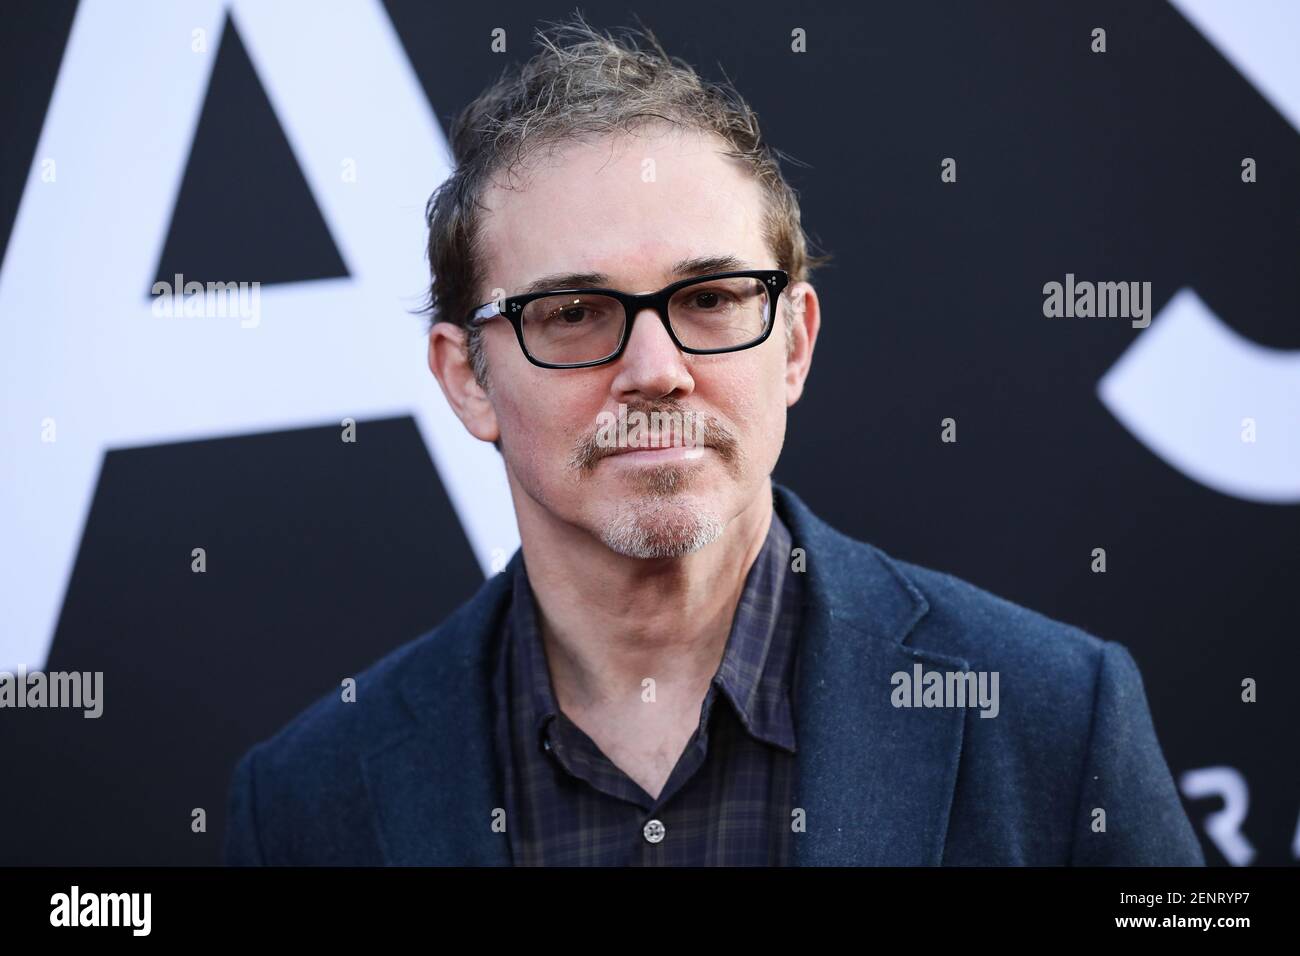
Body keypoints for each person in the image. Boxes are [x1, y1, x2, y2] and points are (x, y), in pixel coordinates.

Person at [224, 13, 1204, 866]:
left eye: (710, 298)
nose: (655, 366)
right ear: (465, 379)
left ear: (794, 344)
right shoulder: (311, 797)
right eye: (573, 311)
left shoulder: (1055, 718)